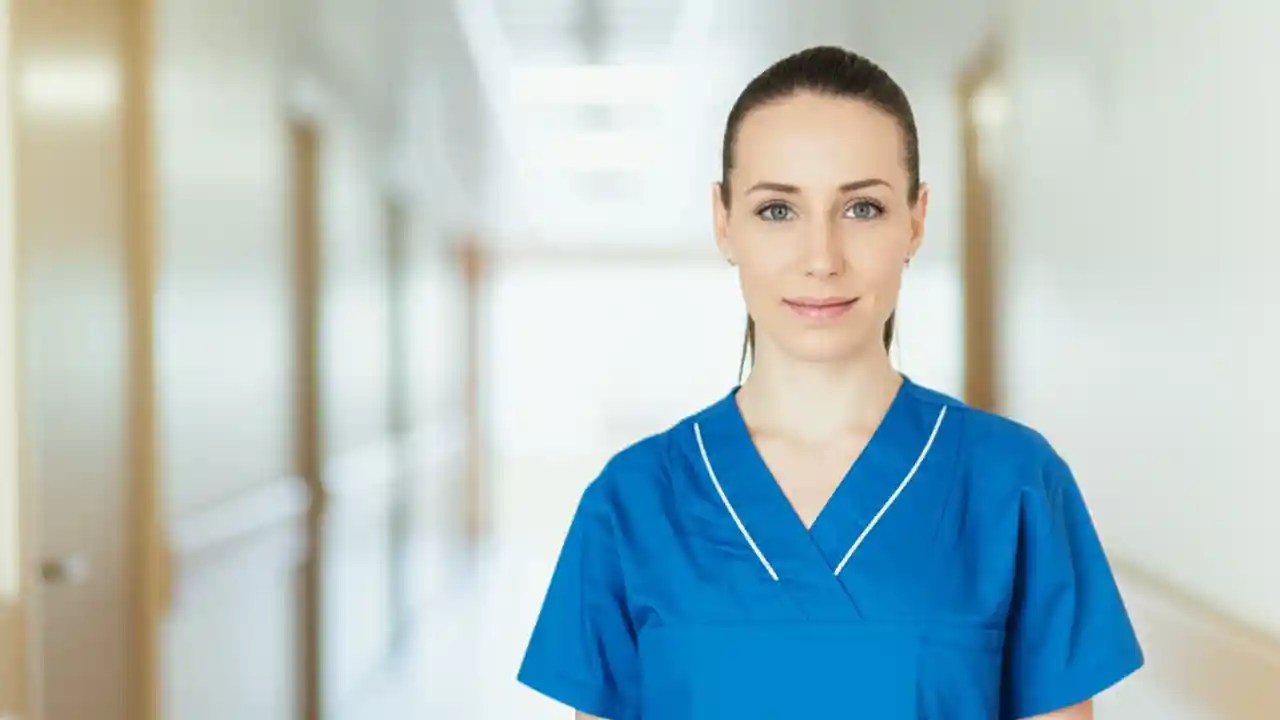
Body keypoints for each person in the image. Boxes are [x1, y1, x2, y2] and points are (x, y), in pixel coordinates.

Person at [516, 45, 1143, 720]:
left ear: (917, 218)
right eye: (778, 211)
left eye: (862, 209)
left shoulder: (1013, 484)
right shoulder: (633, 502)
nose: (821, 259)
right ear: (724, 221)